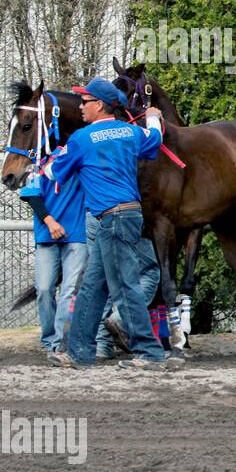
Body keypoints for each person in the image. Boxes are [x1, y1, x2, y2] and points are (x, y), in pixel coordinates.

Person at [45, 77, 173, 371]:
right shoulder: (130, 131)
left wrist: (42, 165)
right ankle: (79, 352)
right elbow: (153, 141)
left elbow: (54, 174)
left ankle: (149, 352)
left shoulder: (81, 139)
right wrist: (153, 119)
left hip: (110, 218)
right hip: (125, 217)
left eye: (85, 101)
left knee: (124, 286)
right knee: (92, 287)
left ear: (100, 105)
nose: (80, 106)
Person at [19, 142, 87, 356]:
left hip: (76, 236)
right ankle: (49, 339)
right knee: (44, 289)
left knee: (70, 290)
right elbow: (32, 195)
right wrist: (50, 222)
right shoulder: (40, 161)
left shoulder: (81, 157)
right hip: (47, 236)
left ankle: (61, 342)